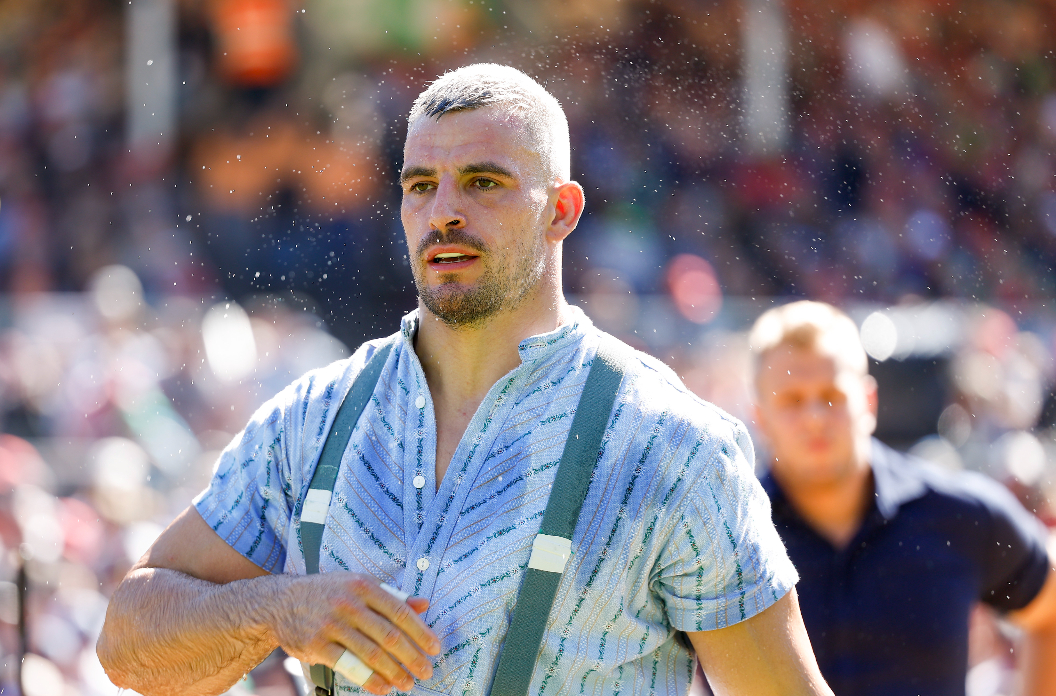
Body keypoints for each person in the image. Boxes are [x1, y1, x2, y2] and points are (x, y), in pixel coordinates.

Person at [98, 64, 832, 696]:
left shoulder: (671, 448)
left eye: (484, 183)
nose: (444, 212)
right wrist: (277, 609)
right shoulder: (314, 420)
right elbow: (127, 638)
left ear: (561, 211)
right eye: (421, 186)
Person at [749, 301, 1056, 696]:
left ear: (869, 401)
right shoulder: (731, 535)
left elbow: (1049, 612)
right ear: (760, 416)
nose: (815, 418)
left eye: (831, 395)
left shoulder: (957, 513)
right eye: (792, 400)